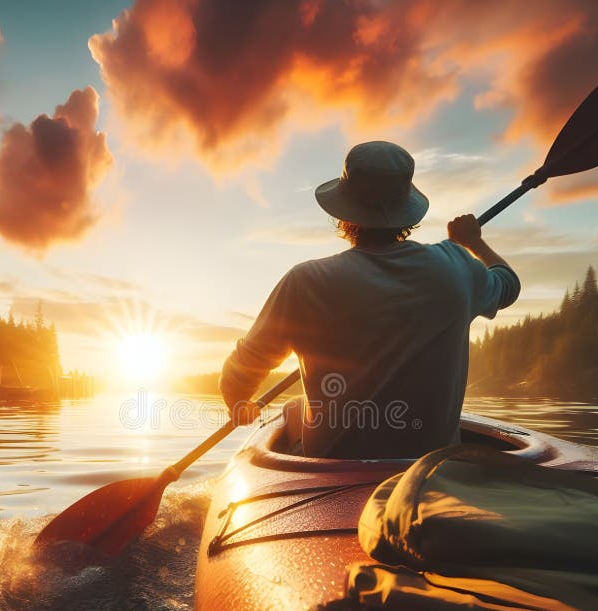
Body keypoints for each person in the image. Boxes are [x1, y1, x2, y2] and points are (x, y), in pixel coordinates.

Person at [219, 141, 520, 459]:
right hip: (429, 475)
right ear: (408, 208)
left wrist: (240, 404)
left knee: (295, 411)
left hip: (332, 473)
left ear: (343, 210)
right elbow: (508, 285)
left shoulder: (306, 281)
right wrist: (472, 243)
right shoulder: (457, 265)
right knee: (297, 408)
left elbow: (240, 373)